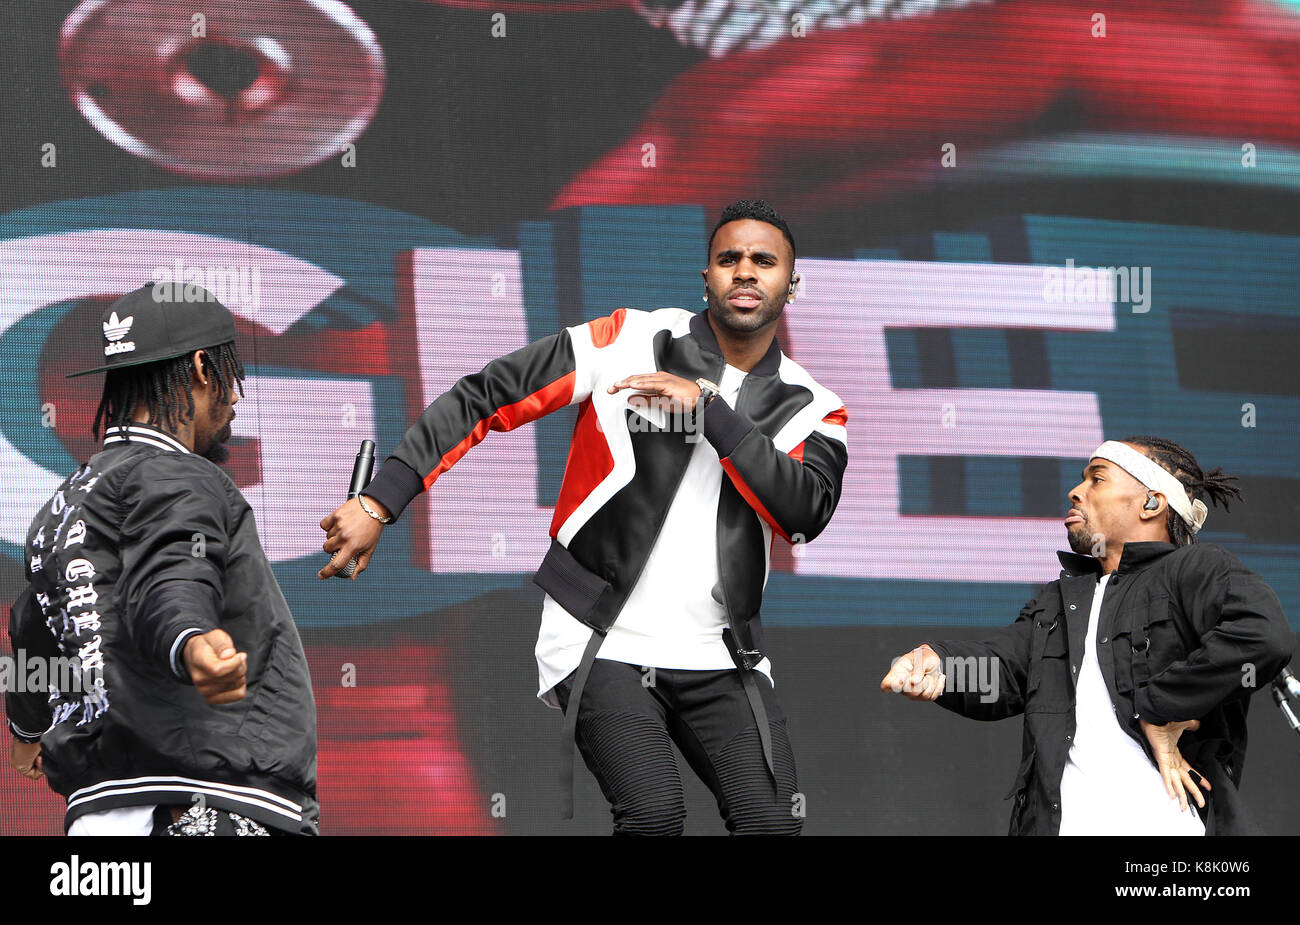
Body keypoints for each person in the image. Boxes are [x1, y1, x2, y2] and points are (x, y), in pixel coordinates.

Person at [320, 199, 849, 834]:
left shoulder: (815, 406)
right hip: (599, 637)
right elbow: (489, 395)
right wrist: (381, 499)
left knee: (771, 823)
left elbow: (804, 511)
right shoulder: (630, 339)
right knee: (654, 816)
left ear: (791, 285)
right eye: (727, 258)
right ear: (704, 275)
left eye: (764, 262)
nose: (744, 272)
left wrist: (709, 409)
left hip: (721, 653)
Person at [6, 282, 319, 836]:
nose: (237, 399)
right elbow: (173, 572)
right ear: (202, 367)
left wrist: (28, 729)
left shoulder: (65, 502)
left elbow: (32, 623)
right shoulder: (180, 475)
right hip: (196, 807)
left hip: (99, 819)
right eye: (231, 374)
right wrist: (191, 640)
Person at [880, 436, 1294, 835]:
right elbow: (1006, 670)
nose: (1075, 492)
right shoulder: (1061, 599)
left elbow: (1262, 637)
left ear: (1151, 502)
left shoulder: (1195, 569)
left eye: (1097, 478)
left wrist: (1159, 707)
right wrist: (944, 669)